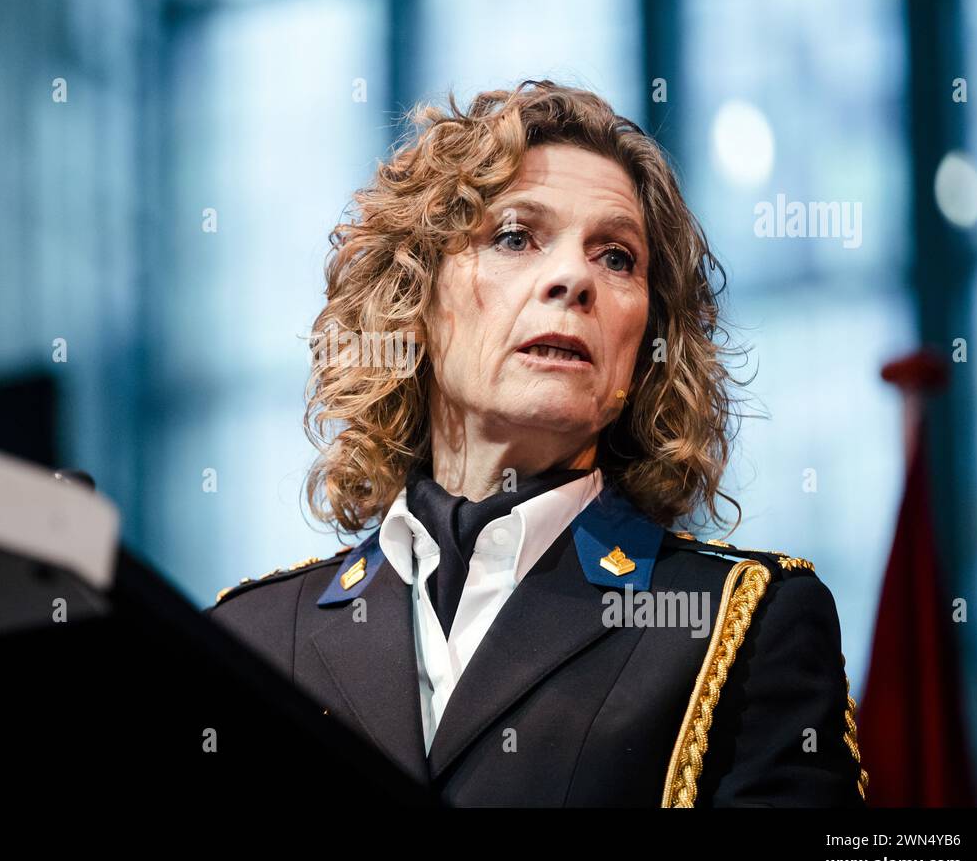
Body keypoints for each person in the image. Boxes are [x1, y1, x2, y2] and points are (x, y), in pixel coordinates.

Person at [206, 79, 867, 807]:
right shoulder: (249, 638)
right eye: (516, 237)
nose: (573, 279)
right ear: (411, 300)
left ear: (647, 337)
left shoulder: (740, 624)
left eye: (616, 257)